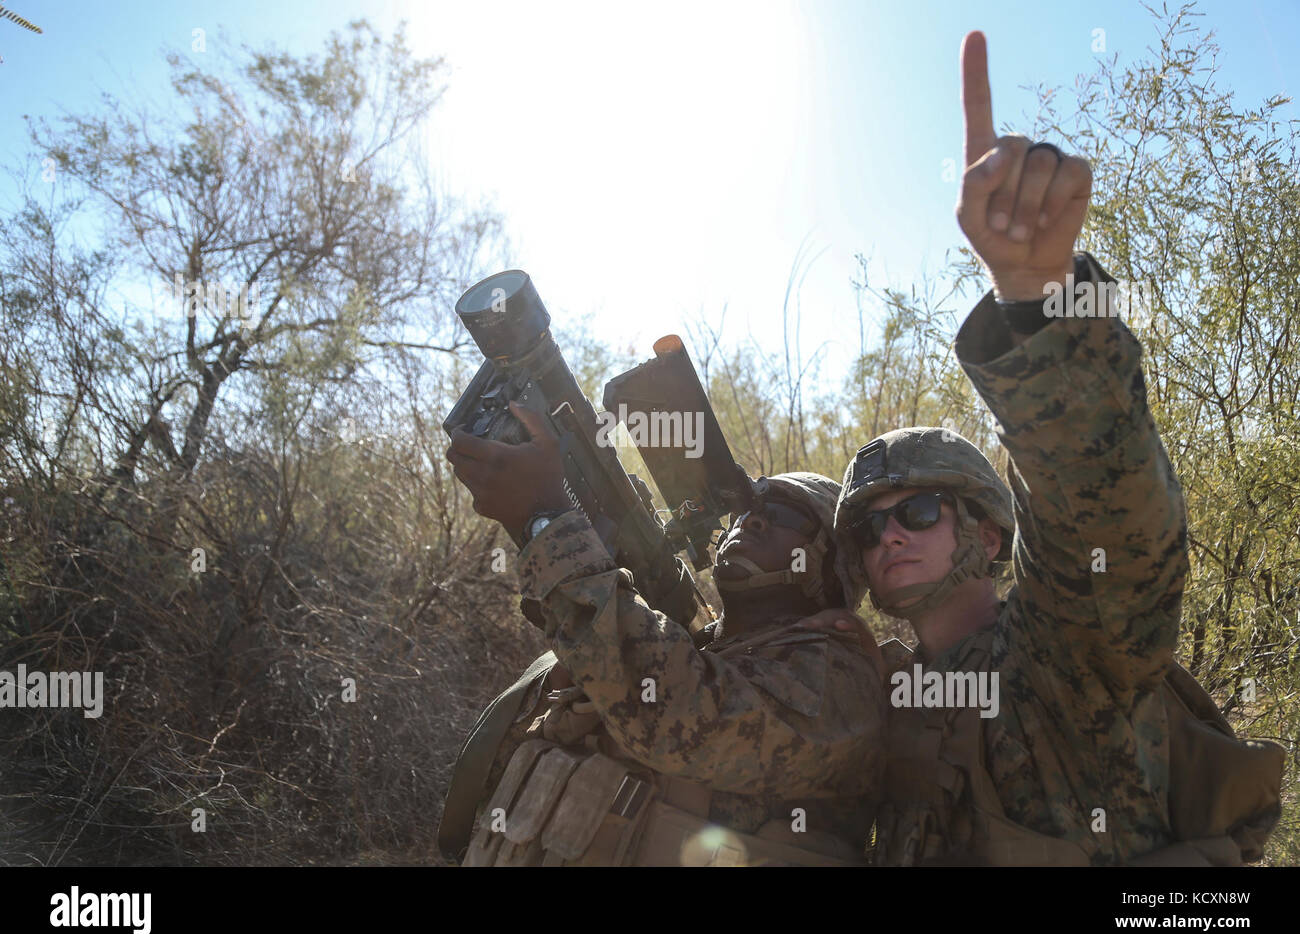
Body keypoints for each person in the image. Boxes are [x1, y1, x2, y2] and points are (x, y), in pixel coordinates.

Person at [803, 30, 1283, 866]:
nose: (889, 536)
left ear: (989, 536)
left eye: (917, 510)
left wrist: (1036, 304)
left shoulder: (1064, 650)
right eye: (870, 526)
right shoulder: (890, 697)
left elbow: (1108, 513)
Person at [437, 403, 887, 866]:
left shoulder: (837, 677)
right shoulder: (680, 647)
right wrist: (564, 530)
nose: (750, 520)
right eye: (748, 508)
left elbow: (681, 721)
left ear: (830, 571)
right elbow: (504, 772)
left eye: (786, 517)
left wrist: (547, 521)